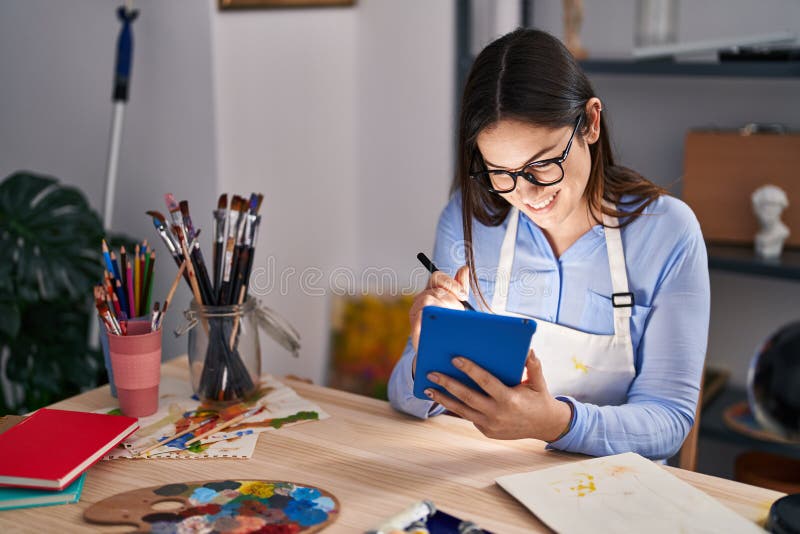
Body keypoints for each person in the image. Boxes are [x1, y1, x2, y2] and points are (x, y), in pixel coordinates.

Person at [387, 28, 710, 461]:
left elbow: (668, 422)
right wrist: (423, 355)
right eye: (501, 172)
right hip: (487, 476)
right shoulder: (470, 218)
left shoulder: (667, 232)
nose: (527, 192)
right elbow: (401, 395)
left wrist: (557, 423)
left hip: (616, 491)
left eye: (543, 164)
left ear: (591, 123)